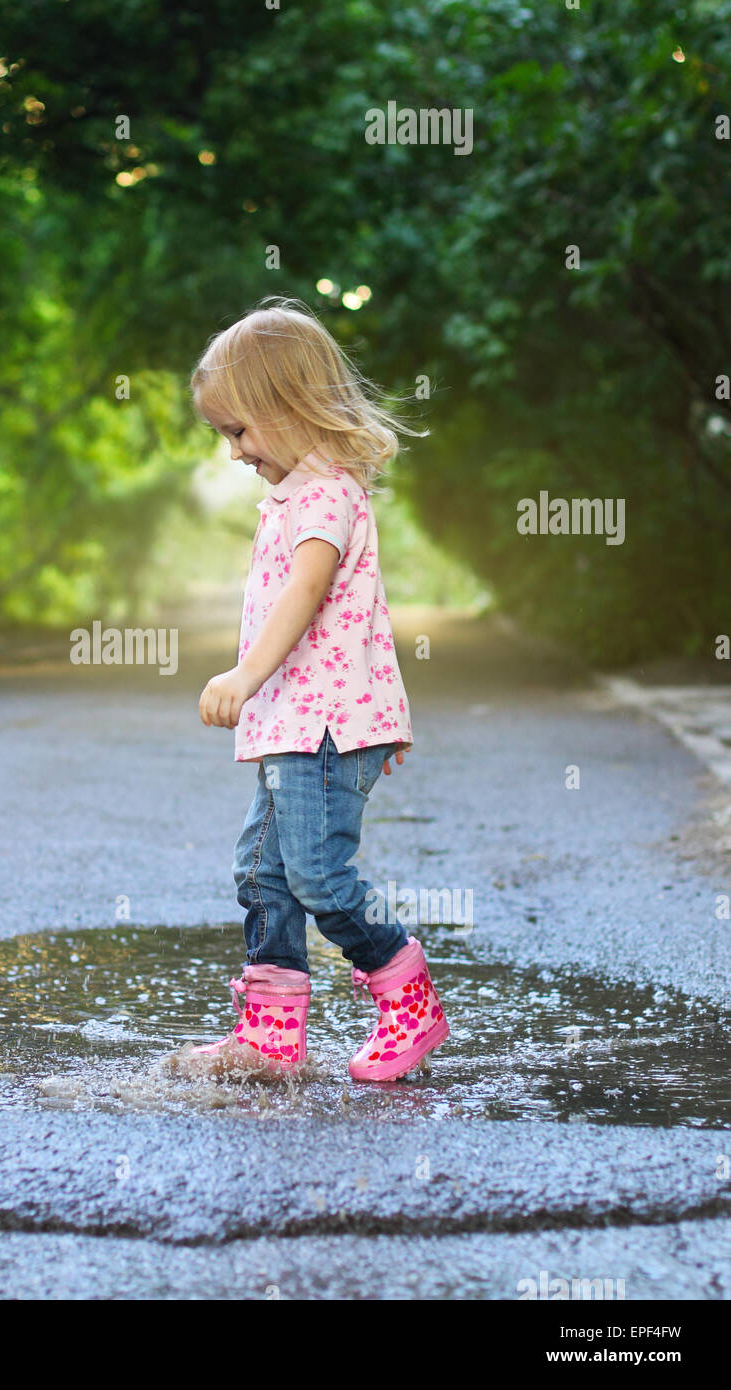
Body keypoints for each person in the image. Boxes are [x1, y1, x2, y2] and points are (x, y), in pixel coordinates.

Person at [189, 296, 448, 1082]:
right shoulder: (288, 497)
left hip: (329, 725)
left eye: (237, 430)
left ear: (286, 406)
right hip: (290, 725)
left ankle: (407, 997)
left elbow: (303, 593)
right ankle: (270, 1031)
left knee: (316, 875)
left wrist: (242, 674)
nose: (232, 452)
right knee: (261, 873)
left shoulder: (328, 493)